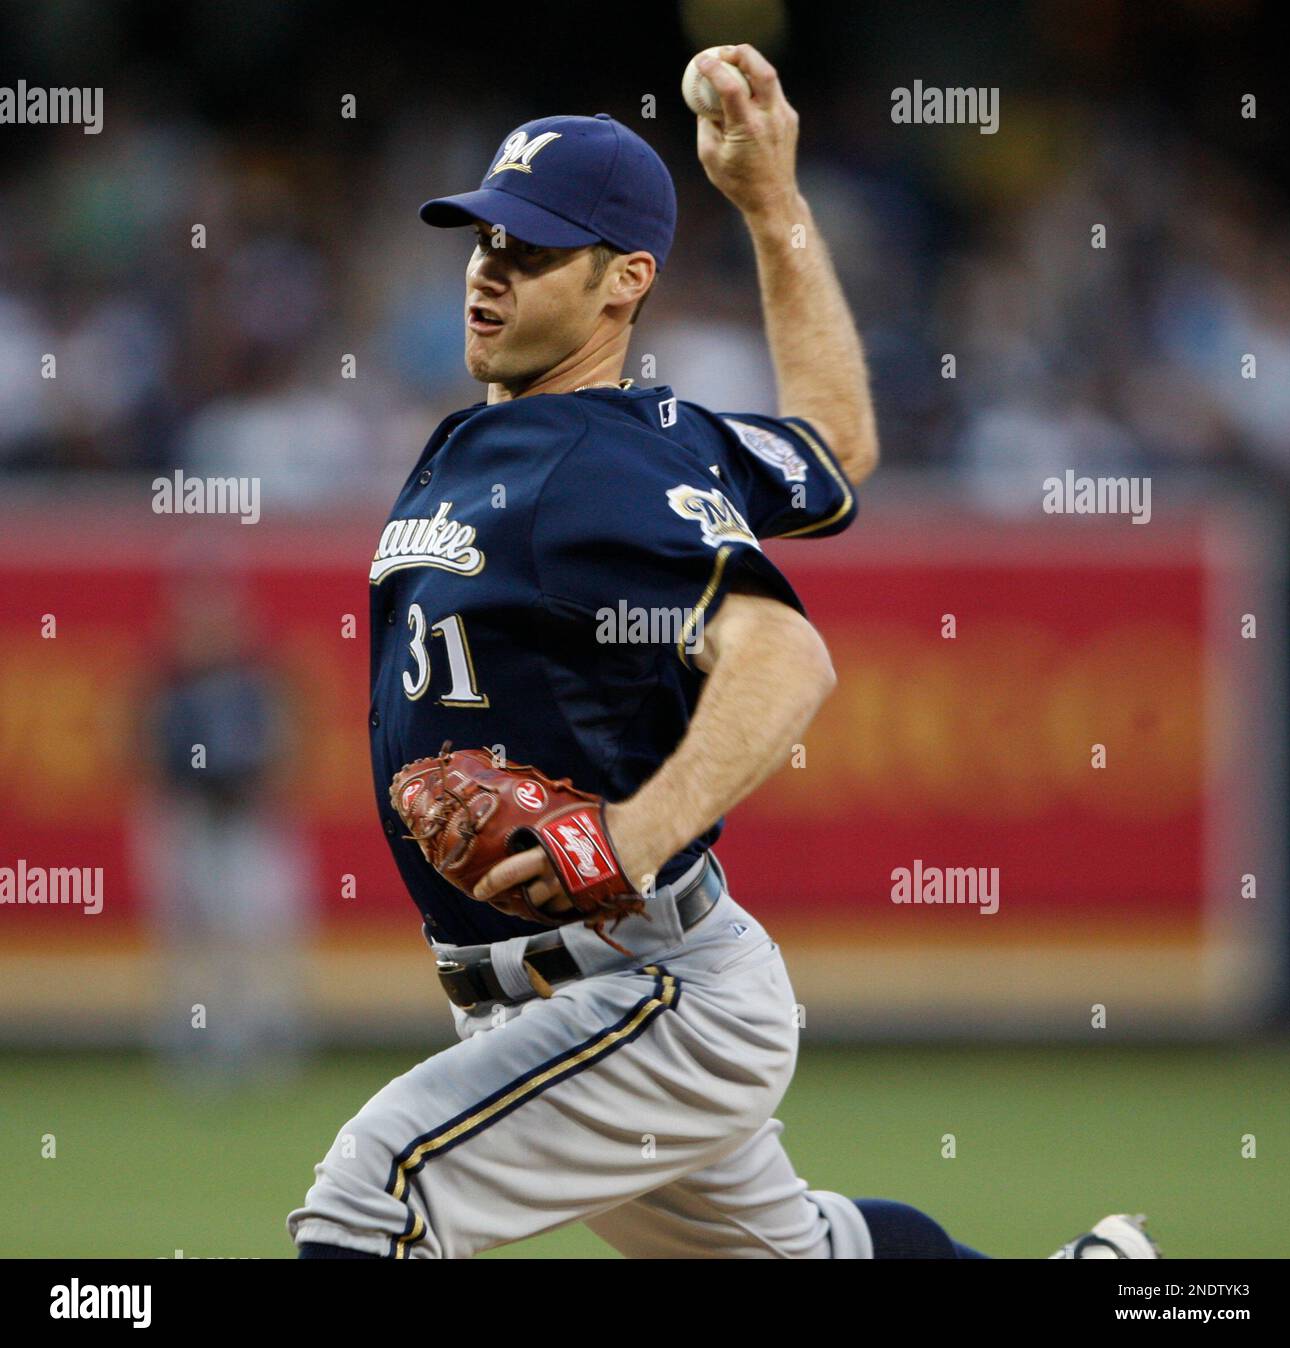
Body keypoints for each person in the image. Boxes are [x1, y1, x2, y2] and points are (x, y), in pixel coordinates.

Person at [288, 45, 1156, 1259]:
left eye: (532, 250)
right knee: (802, 1253)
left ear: (622, 282)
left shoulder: (602, 464)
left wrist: (625, 837)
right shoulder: (617, 436)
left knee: (370, 1197)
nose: (490, 269)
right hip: (555, 998)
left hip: (649, 992)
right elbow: (836, 442)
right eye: (483, 237)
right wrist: (774, 206)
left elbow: (785, 656)